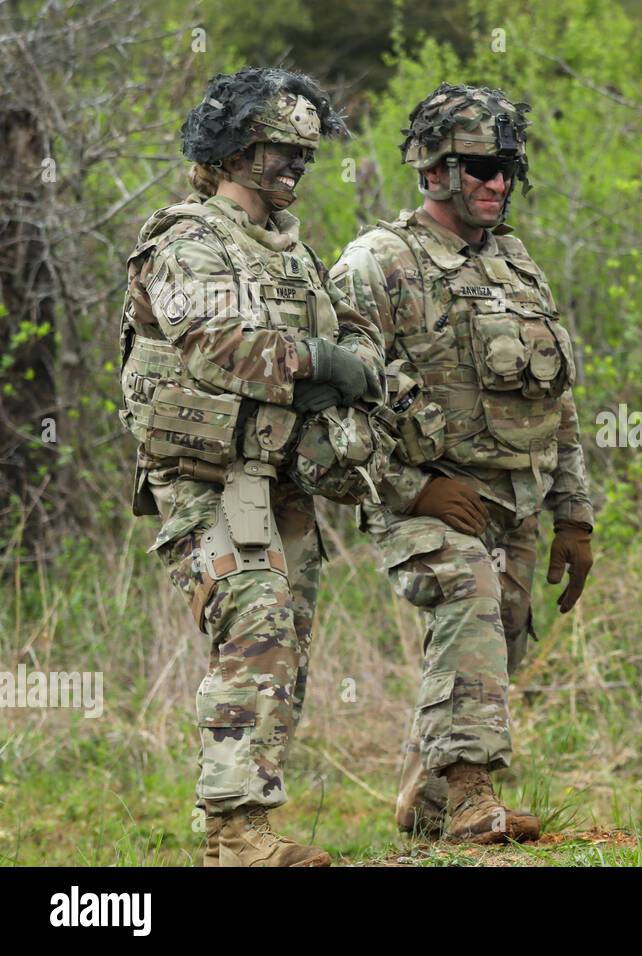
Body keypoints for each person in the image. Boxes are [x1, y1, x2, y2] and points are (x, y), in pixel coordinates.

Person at [119, 67, 385, 866]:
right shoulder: (186, 241)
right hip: (201, 476)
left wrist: (354, 364)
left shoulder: (290, 251)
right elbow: (218, 346)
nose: (295, 166)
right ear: (232, 151)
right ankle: (235, 835)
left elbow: (349, 338)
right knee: (258, 621)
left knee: (285, 645)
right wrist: (322, 359)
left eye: (302, 151)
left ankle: (244, 825)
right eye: (278, 150)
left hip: (276, 476)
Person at [330, 84, 595, 844]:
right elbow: (338, 403)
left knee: (498, 633)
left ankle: (429, 799)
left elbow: (557, 402)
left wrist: (572, 514)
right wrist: (414, 490)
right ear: (435, 169)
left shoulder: (517, 266)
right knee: (470, 598)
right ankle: (476, 794)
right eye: (480, 167)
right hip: (422, 500)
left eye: (507, 167)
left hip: (510, 498)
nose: (498, 183)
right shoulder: (377, 264)